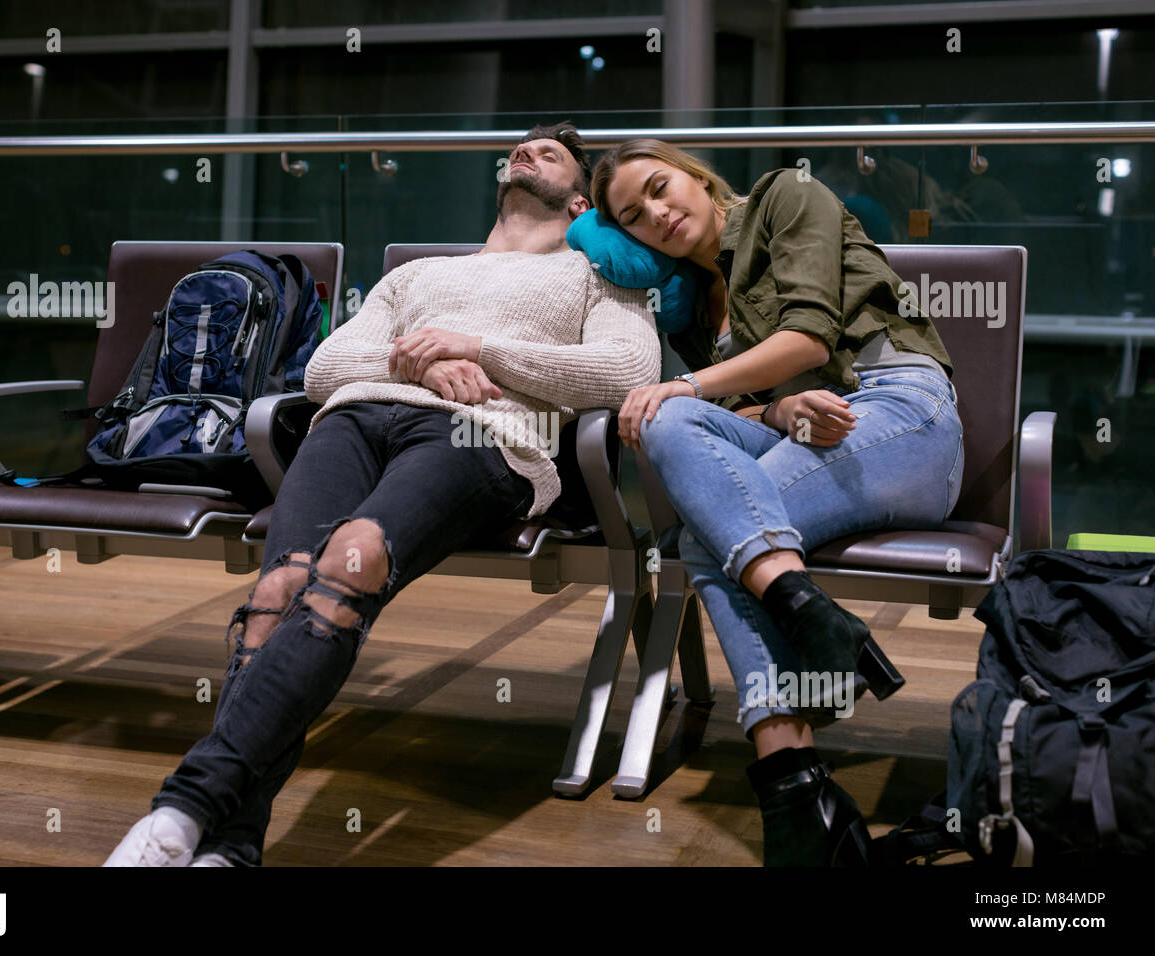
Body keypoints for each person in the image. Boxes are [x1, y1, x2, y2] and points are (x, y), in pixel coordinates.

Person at [102, 121, 660, 866]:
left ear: (583, 198)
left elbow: (625, 372)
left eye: (549, 153)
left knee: (350, 563)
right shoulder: (418, 274)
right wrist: (423, 366)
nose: (525, 153)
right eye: (519, 148)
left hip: (479, 436)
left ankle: (181, 811)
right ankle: (230, 847)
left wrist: (479, 350)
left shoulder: (597, 277)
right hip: (354, 419)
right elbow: (327, 366)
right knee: (277, 596)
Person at [591, 140, 964, 866]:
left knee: (705, 525)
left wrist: (694, 385)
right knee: (671, 429)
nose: (658, 216)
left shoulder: (785, 198)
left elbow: (810, 337)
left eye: (663, 189)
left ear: (698, 177)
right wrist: (778, 406)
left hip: (901, 415)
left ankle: (796, 786)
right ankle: (803, 664)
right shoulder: (694, 310)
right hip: (811, 435)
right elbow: (753, 415)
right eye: (633, 217)